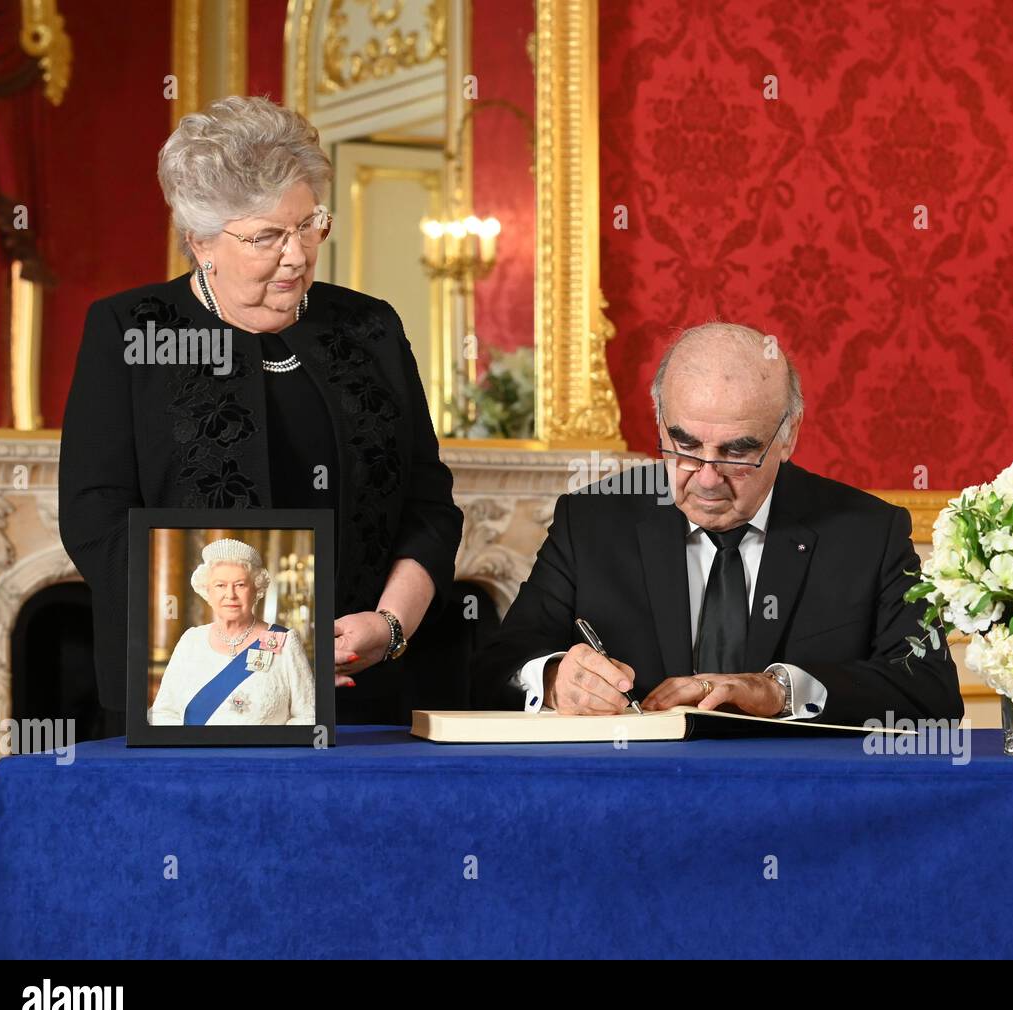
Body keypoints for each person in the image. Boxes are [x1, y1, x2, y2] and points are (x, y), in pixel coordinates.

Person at [59, 96, 462, 732]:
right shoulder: (130, 329)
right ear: (201, 243)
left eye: (308, 225)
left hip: (356, 684)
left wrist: (390, 626)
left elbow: (428, 504)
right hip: (192, 692)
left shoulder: (369, 327)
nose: (298, 254)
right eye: (266, 236)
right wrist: (233, 641)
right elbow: (94, 516)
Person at [473, 322, 962, 723]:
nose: (706, 479)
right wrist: (555, 678)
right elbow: (496, 665)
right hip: (633, 798)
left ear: (788, 435)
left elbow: (930, 693)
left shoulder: (867, 533)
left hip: (803, 806)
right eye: (684, 445)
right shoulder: (591, 523)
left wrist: (779, 690)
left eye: (737, 451)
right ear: (659, 421)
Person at [148, 539, 314, 725]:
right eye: (220, 585)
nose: (230, 594)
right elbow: (163, 712)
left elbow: (309, 716)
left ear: (256, 590)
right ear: (207, 591)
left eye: (240, 585)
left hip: (263, 754)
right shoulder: (191, 641)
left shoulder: (283, 640)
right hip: (196, 754)